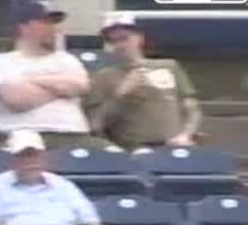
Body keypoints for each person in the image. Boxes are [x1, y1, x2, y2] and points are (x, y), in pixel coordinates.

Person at [0, 0, 108, 149]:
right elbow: (17, 100)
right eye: (45, 22)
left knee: (116, 156)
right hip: (23, 138)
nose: (53, 28)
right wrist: (61, 90)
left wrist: (32, 80)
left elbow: (81, 86)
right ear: (24, 27)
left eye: (54, 23)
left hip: (76, 137)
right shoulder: (1, 62)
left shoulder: (67, 59)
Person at [0, 130, 108, 225]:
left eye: (35, 155)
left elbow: (89, 218)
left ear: (44, 157)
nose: (30, 161)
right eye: (23, 156)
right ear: (11, 159)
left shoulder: (62, 184)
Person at [85, 14, 202, 151]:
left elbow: (191, 108)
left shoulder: (169, 66)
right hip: (134, 148)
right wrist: (121, 94)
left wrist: (186, 134)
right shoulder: (103, 77)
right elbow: (96, 124)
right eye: (112, 41)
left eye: (124, 38)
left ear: (139, 38)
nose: (120, 45)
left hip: (176, 145)